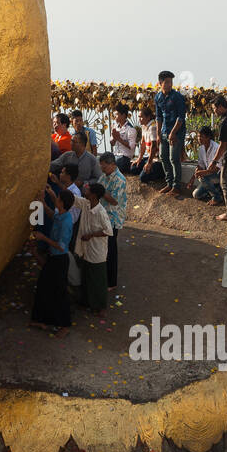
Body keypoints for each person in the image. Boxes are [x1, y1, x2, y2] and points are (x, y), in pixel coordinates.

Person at [30, 188, 75, 335]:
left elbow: (62, 247)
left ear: (62, 203)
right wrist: (43, 201)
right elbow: (52, 215)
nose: (55, 200)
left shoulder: (66, 221)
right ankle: (39, 319)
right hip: (54, 257)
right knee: (44, 287)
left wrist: (43, 238)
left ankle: (65, 326)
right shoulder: (61, 215)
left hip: (59, 260)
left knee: (59, 292)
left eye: (58, 199)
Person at [70, 181, 113, 312]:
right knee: (87, 277)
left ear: (93, 195)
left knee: (98, 280)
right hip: (86, 249)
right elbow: (72, 198)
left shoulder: (101, 212)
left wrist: (91, 235)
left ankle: (101, 307)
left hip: (97, 252)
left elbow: (108, 231)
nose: (85, 191)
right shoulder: (86, 203)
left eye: (88, 190)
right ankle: (86, 302)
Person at [96, 152, 127, 297]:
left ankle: (112, 282)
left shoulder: (120, 180)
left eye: (104, 166)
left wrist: (101, 192)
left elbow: (114, 201)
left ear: (113, 165)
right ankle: (104, 277)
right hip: (103, 215)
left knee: (111, 250)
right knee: (104, 248)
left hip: (113, 218)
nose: (102, 168)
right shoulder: (104, 175)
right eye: (101, 166)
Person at [154, 70, 187, 196]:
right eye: (167, 82)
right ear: (160, 83)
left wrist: (173, 133)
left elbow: (181, 118)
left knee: (174, 158)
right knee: (163, 157)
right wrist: (158, 134)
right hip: (164, 132)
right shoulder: (158, 97)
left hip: (177, 132)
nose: (169, 84)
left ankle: (176, 186)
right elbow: (158, 117)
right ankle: (169, 183)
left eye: (171, 82)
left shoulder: (177, 97)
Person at [190, 125, 224, 205]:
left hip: (219, 175)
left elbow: (216, 169)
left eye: (201, 136)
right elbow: (200, 165)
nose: (199, 139)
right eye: (198, 136)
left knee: (202, 177)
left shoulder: (216, 148)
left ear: (208, 137)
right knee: (196, 195)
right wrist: (192, 179)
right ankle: (216, 189)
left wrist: (201, 173)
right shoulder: (201, 148)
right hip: (208, 176)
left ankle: (217, 197)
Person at [134, 106, 164, 183]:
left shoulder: (153, 126)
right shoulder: (144, 126)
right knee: (133, 168)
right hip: (149, 158)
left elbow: (154, 146)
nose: (139, 119)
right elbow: (143, 143)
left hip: (157, 160)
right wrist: (139, 158)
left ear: (148, 117)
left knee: (143, 178)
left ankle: (160, 175)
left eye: (141, 117)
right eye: (139, 117)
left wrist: (149, 163)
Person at [110, 105, 138, 173]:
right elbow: (112, 143)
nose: (115, 116)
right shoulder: (115, 127)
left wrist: (119, 139)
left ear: (123, 115)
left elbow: (131, 146)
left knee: (112, 166)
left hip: (125, 158)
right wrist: (114, 138)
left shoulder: (130, 129)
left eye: (117, 114)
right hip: (115, 155)